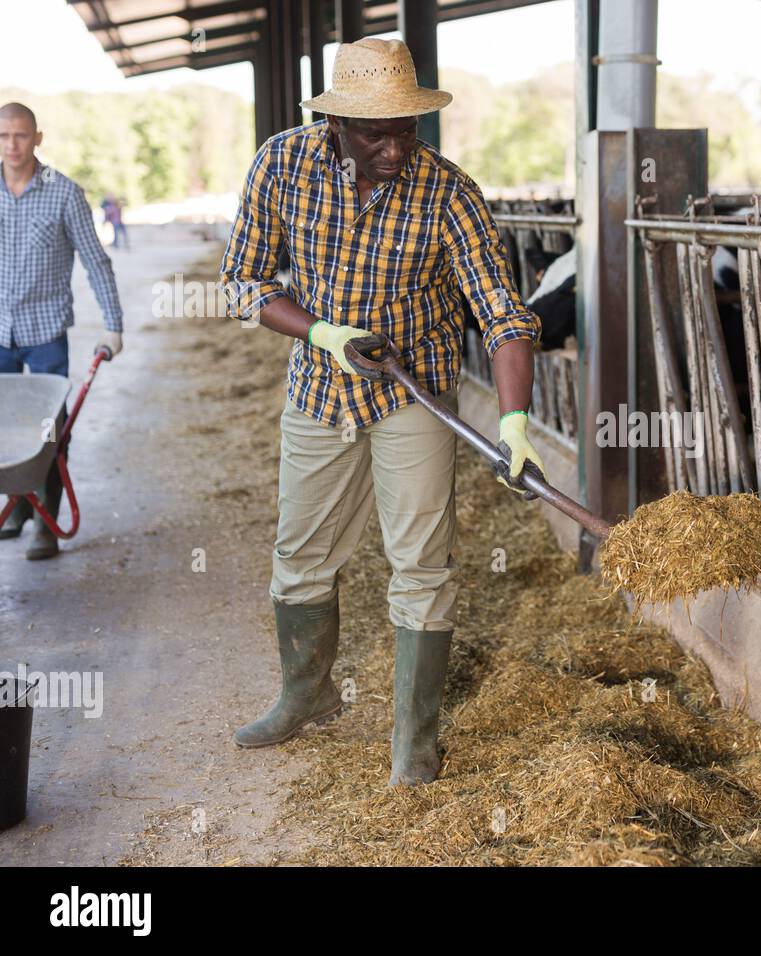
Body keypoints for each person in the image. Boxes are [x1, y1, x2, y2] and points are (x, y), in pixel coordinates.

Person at [220, 38, 546, 786]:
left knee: (422, 568)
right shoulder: (282, 164)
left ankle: (414, 742)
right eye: (377, 131)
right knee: (299, 555)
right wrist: (324, 333)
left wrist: (514, 424)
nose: (396, 145)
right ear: (336, 126)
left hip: (415, 393)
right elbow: (241, 280)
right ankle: (305, 694)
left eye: (407, 128)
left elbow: (503, 316)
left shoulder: (448, 192)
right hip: (319, 390)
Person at [0, 102, 123, 560]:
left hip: (45, 329)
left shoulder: (64, 193)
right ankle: (16, 507)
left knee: (49, 429)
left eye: (20, 135)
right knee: (4, 427)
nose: (12, 145)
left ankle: (46, 518)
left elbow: (96, 260)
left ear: (38, 137)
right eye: (3, 136)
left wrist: (113, 326)